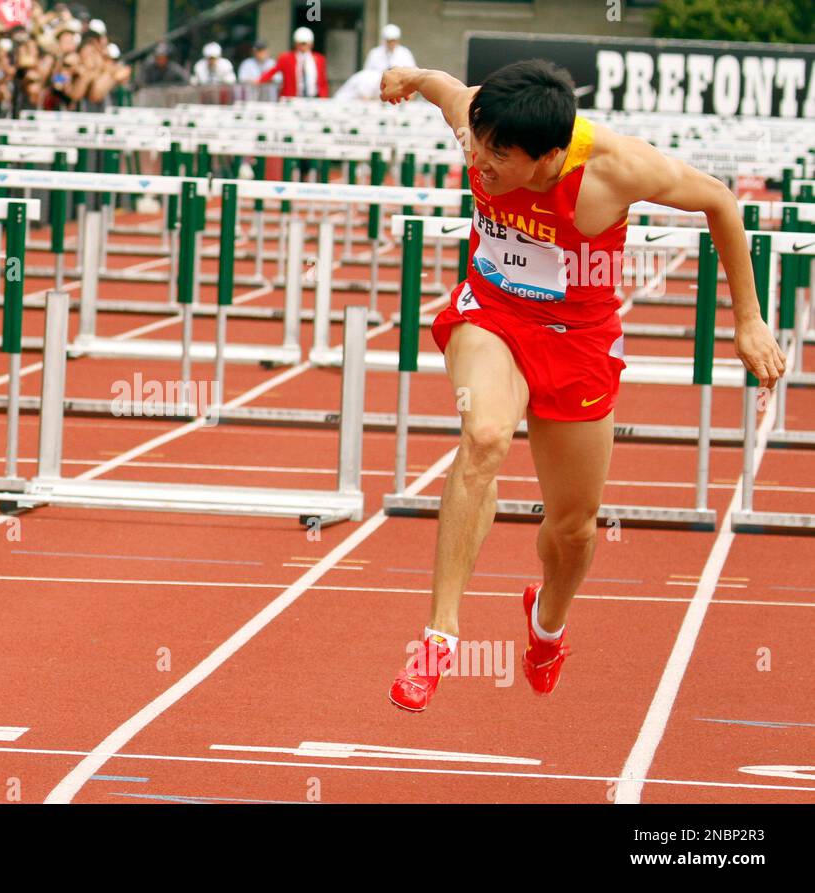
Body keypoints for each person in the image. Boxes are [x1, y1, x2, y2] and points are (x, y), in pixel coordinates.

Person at [379, 60, 786, 712]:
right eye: (476, 144)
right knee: (483, 436)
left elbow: (720, 200)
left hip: (581, 341)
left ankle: (547, 622)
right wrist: (411, 75)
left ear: (548, 159)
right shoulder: (483, 121)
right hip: (492, 313)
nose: (479, 164)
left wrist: (747, 319)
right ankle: (439, 636)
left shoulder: (616, 169)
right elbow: (444, 91)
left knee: (573, 530)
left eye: (498, 158)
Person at [259, 27, 326, 99]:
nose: (303, 46)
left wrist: (324, 97)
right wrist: (259, 80)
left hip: (314, 97)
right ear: (296, 44)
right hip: (293, 99)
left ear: (311, 44)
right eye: (300, 43)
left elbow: (322, 81)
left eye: (305, 43)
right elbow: (272, 71)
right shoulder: (286, 58)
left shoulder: (319, 59)